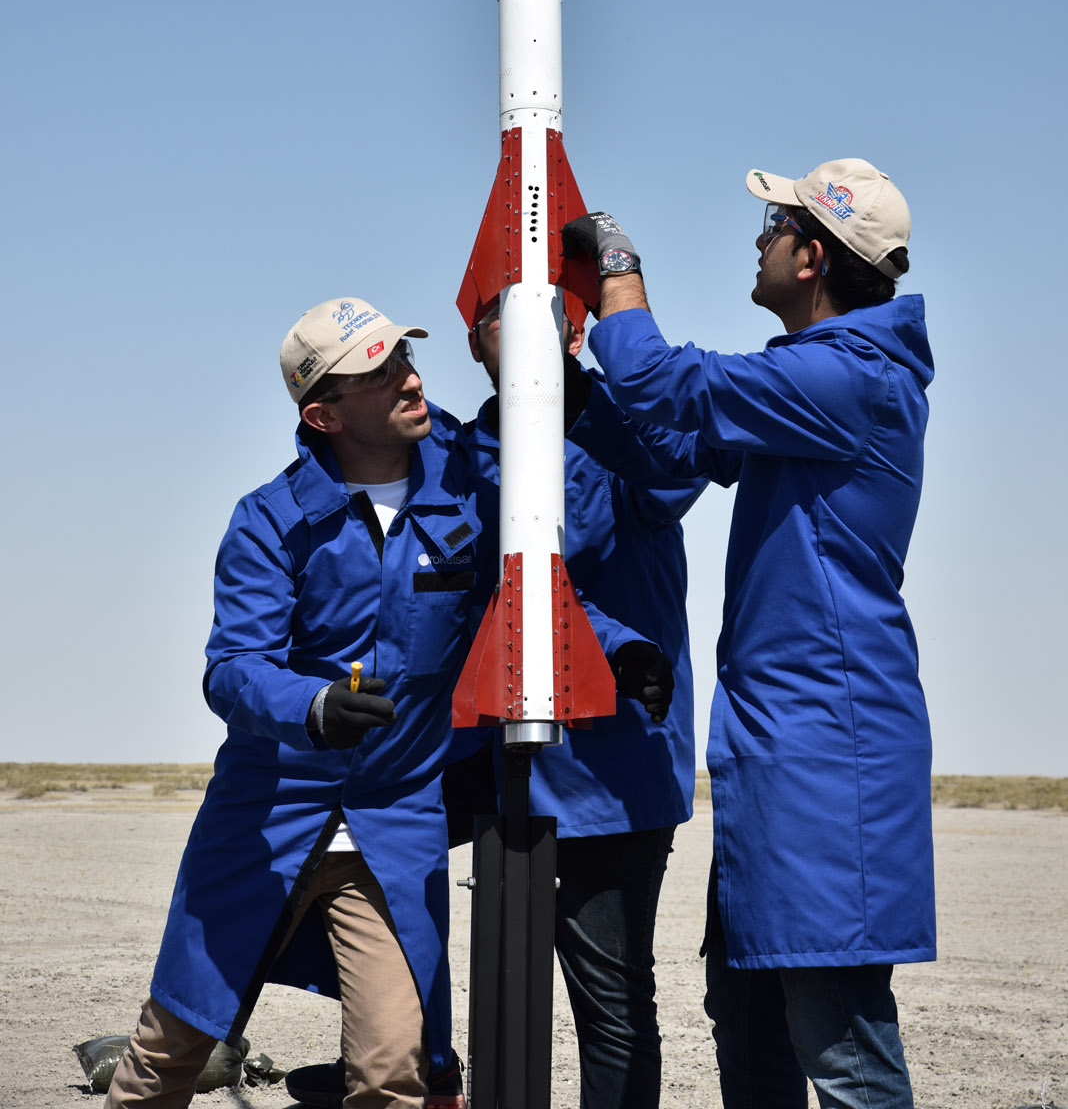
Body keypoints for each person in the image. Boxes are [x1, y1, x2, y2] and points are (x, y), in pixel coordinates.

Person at [105, 296, 652, 1109]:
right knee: (169, 1053)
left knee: (395, 1072)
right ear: (322, 413)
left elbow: (531, 595)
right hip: (265, 820)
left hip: (392, 829)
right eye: (379, 372)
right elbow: (231, 669)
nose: (410, 378)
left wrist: (618, 648)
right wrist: (315, 704)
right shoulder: (268, 521)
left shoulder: (468, 493)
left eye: (403, 357)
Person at [562, 160, 936, 1109]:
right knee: (750, 1017)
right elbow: (674, 441)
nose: (758, 243)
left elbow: (663, 380)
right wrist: (554, 394)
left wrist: (618, 268)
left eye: (771, 228)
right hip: (781, 753)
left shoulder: (847, 376)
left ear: (811, 257)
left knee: (842, 1048)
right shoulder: (817, 386)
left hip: (824, 754)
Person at [284, 302, 698, 1109]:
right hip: (479, 753)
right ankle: (412, 1066)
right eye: (499, 314)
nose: (522, 324)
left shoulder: (625, 439)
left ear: (574, 334)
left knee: (611, 1001)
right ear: (475, 341)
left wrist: (576, 397)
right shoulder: (452, 453)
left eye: (545, 311)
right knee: (365, 885)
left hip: (611, 768)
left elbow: (673, 472)